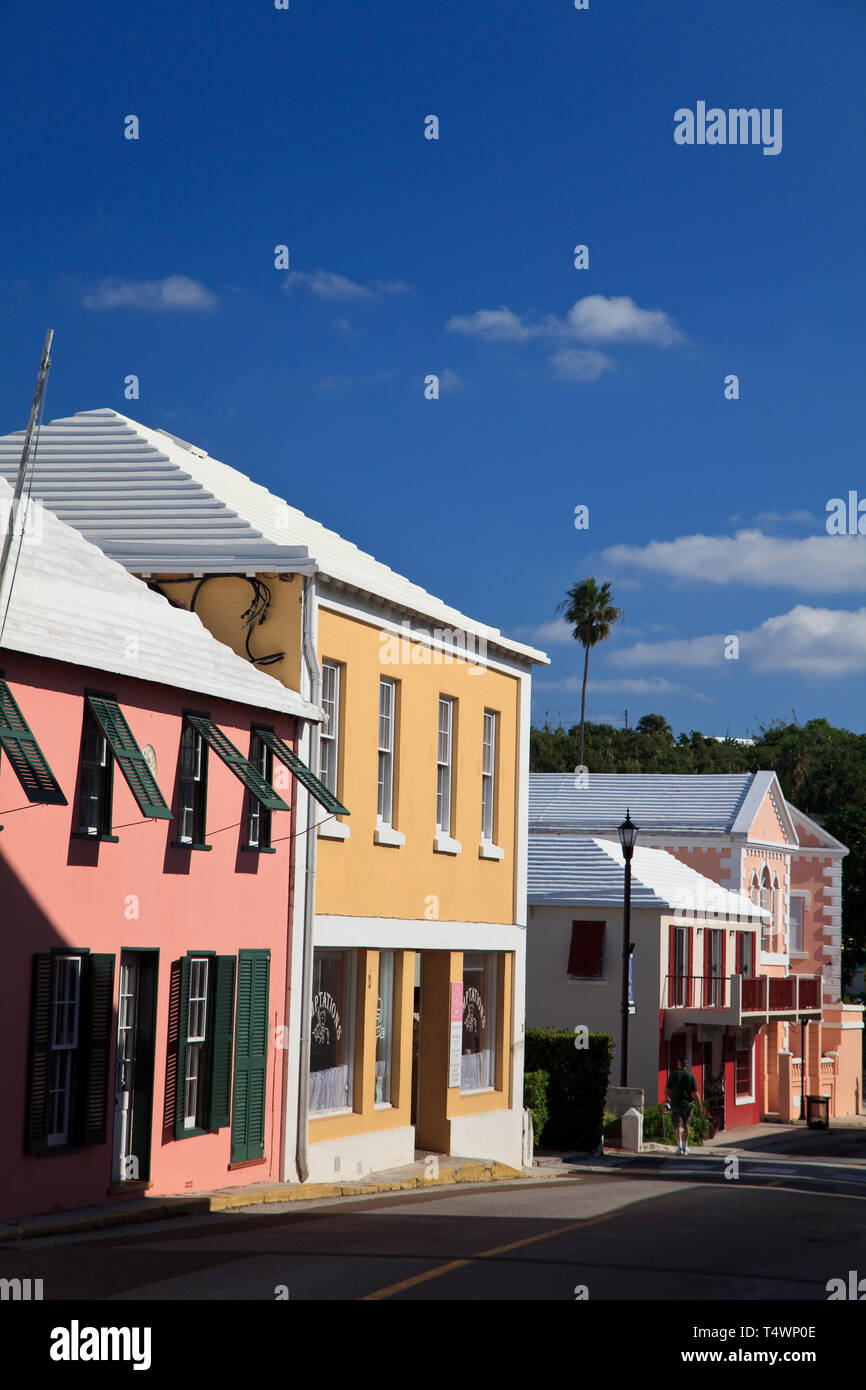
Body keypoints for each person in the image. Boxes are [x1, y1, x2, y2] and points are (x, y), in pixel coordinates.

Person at [665, 1061, 699, 1154]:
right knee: (686, 1125)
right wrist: (700, 1106)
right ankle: (685, 1147)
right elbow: (695, 1093)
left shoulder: (673, 1075)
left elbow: (667, 1089)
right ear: (686, 1065)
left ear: (679, 1064)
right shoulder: (690, 1076)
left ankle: (679, 1148)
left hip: (676, 1104)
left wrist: (667, 1099)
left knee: (678, 1126)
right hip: (687, 1105)